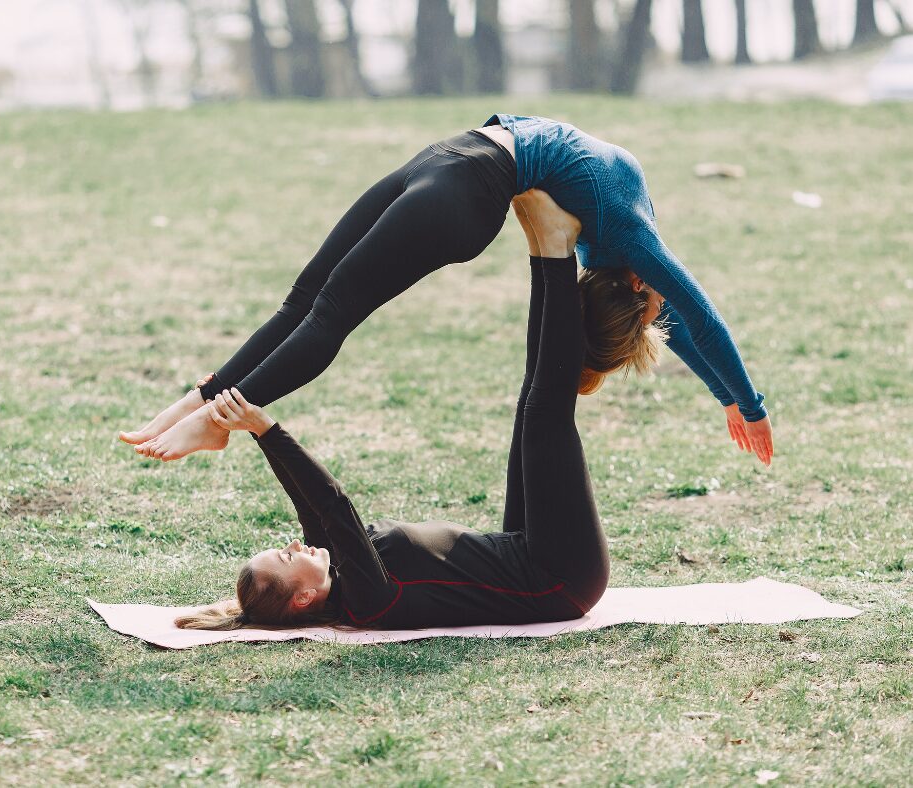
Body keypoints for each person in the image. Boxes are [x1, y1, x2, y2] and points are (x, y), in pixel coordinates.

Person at [121, 114, 772, 466]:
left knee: (330, 311)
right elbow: (695, 322)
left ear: (637, 292)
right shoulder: (628, 245)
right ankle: (204, 399)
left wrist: (745, 402)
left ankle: (218, 419)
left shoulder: (626, 245)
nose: (664, 301)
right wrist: (738, 401)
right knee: (305, 298)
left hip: (464, 191)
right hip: (451, 162)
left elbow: (691, 322)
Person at [176, 249, 609, 631]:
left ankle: (545, 250)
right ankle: (555, 254)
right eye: (288, 557)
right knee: (544, 409)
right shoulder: (367, 601)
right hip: (560, 578)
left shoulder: (343, 573)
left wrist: (250, 427)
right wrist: (265, 426)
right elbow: (334, 504)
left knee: (534, 397)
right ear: (303, 598)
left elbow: (307, 502)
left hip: (524, 548)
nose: (293, 544)